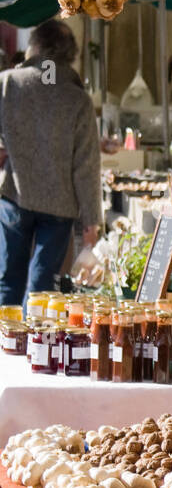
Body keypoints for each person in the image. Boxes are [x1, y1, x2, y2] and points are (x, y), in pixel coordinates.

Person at [0, 20, 100, 306]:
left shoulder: (8, 84)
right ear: (70, 55)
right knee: (42, 288)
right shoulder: (77, 100)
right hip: (59, 206)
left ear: (36, 47)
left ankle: (5, 345)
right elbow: (87, 166)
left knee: (8, 281)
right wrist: (92, 220)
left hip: (15, 196)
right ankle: (35, 347)